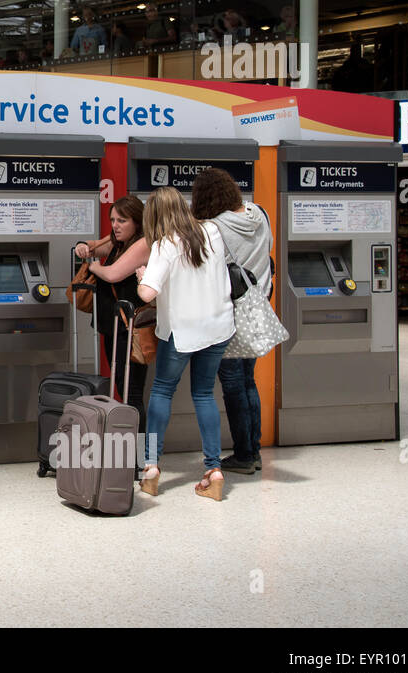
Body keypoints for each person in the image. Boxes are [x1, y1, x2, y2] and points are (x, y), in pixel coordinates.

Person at [134, 187, 235, 502]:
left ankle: (151, 468)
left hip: (182, 331)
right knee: (204, 394)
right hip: (217, 327)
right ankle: (214, 470)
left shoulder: (165, 244)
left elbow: (147, 294)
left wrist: (142, 276)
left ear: (154, 216)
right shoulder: (212, 233)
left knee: (163, 390)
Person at [191, 168, 273, 475]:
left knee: (233, 385)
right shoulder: (259, 213)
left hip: (228, 312)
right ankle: (254, 449)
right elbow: (268, 251)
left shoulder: (213, 227)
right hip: (257, 307)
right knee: (248, 381)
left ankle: (244, 453)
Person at [74, 196, 151, 433]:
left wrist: (94, 266)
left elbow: (113, 274)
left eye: (122, 220)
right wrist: (83, 246)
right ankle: (131, 451)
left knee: (132, 392)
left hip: (131, 330)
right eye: (113, 220)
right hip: (113, 326)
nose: (115, 225)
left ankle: (140, 455)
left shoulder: (143, 243)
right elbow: (94, 245)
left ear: (137, 222)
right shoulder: (119, 242)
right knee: (122, 387)